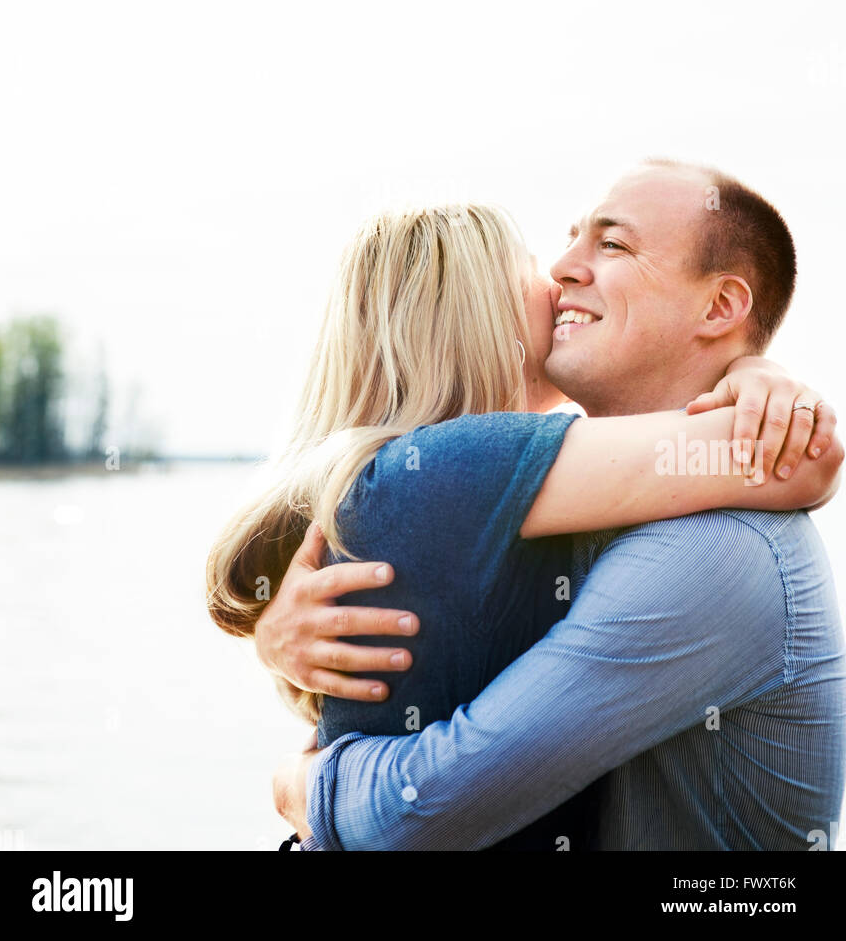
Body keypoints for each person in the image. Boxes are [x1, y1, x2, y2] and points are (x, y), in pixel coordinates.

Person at [210, 166, 844, 849]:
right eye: (564, 246)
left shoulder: (715, 551)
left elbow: (420, 809)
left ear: (720, 307)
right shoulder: (483, 490)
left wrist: (298, 782)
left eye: (614, 246)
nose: (563, 272)